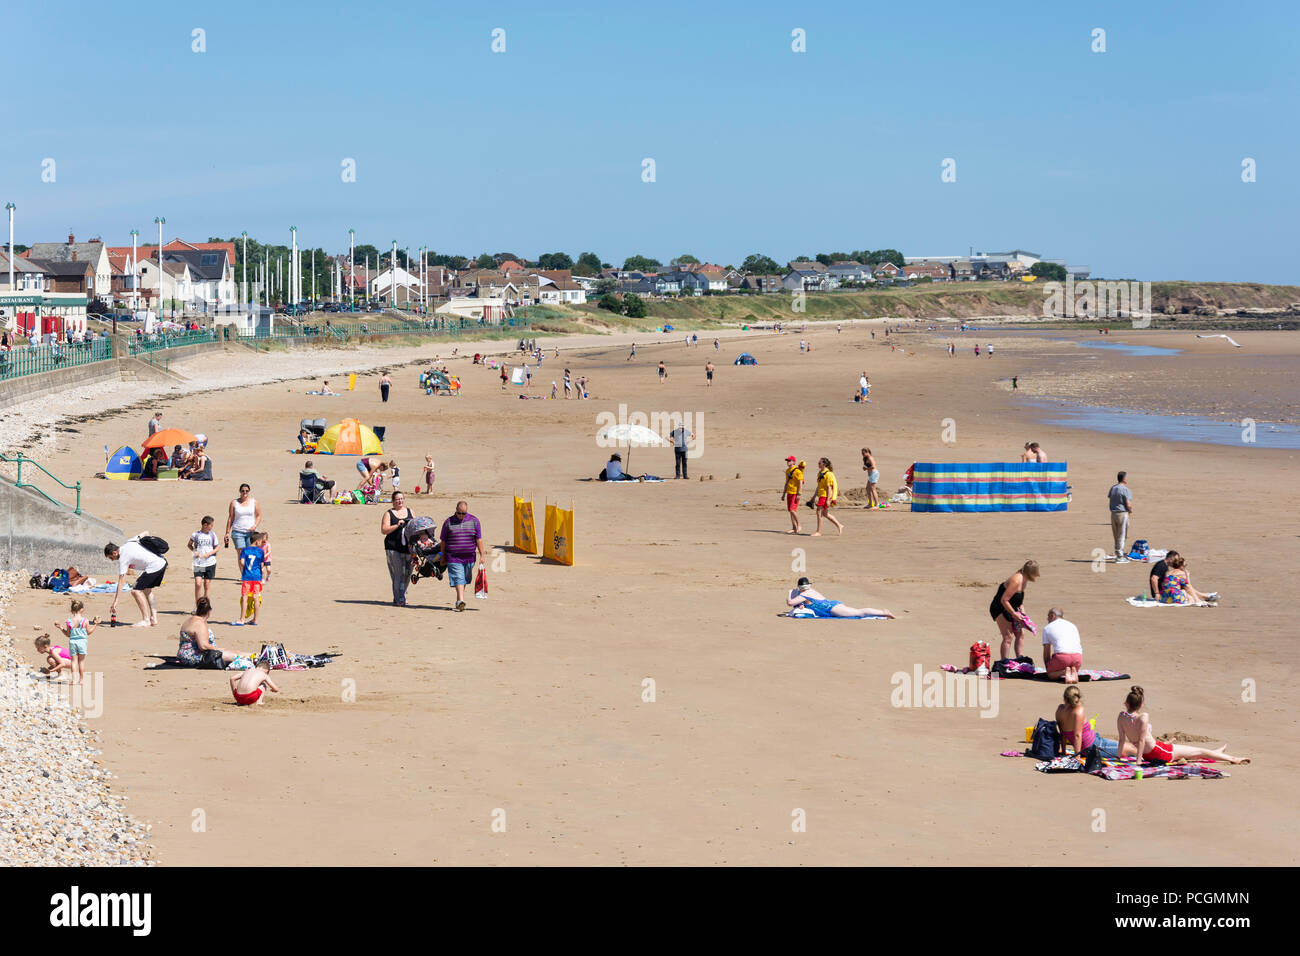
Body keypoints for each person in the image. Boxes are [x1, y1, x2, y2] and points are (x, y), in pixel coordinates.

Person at [1116, 686, 1248, 764]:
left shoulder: (1121, 717)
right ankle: (1233, 758)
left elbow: (1122, 739)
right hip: (1159, 752)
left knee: (1192, 753)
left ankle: (1215, 753)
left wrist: (1118, 757)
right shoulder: (1143, 716)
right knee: (1199, 751)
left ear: (1126, 703)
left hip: (1149, 754)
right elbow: (1141, 740)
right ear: (1141, 705)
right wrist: (1138, 762)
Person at [106, 538, 167, 628]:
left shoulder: (123, 558)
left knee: (135, 591)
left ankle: (146, 620)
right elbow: (145, 533)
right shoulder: (129, 542)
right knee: (147, 590)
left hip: (154, 566)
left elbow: (121, 581)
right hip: (161, 562)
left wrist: (115, 602)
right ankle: (154, 618)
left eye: (111, 558)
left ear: (115, 553)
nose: (112, 560)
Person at [440, 500, 487, 612]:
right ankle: (461, 600)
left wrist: (482, 555)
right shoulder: (448, 522)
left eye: (464, 513)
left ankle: (458, 601)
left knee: (465, 579)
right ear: (455, 511)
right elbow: (443, 541)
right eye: (459, 513)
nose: (461, 516)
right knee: (459, 577)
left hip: (469, 557)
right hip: (453, 557)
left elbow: (478, 539)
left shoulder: (474, 521)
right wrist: (442, 556)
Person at [989, 560, 1039, 662]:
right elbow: (1004, 600)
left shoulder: (1024, 579)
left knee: (1020, 634)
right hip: (1000, 607)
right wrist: (1013, 614)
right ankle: (1004, 662)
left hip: (1013, 608)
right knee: (1008, 637)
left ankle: (1019, 659)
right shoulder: (1016, 581)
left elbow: (1017, 598)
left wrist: (1022, 609)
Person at [1055, 686, 1120, 759]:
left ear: (1064, 698)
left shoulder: (1060, 709)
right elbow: (1077, 736)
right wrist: (1077, 756)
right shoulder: (1078, 710)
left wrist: (1063, 751)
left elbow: (1062, 734)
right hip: (1093, 745)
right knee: (1128, 748)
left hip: (1089, 744)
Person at [177, 597, 242, 668]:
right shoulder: (199, 623)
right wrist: (218, 649)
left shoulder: (190, 620)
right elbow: (203, 646)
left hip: (183, 656)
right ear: (209, 611)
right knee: (233, 655)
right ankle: (252, 657)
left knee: (234, 652)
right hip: (194, 657)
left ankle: (253, 656)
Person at [787, 578, 894, 618]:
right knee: (857, 612)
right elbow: (801, 605)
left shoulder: (804, 594)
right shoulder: (810, 592)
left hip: (831, 608)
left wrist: (790, 593)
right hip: (833, 605)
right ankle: (882, 612)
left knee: (859, 613)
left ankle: (883, 612)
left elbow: (790, 603)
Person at [53, 600, 99, 685]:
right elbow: (88, 632)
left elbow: (68, 634)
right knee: (81, 661)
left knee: (74, 661)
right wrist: (96, 625)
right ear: (82, 609)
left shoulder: (69, 621)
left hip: (72, 642)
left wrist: (61, 628)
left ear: (71, 610)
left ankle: (74, 680)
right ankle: (81, 680)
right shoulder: (85, 620)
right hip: (82, 642)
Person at [382, 492, 413, 606]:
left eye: (401, 499)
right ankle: (398, 598)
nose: (400, 501)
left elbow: (416, 527)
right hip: (393, 547)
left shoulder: (410, 511)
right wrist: (397, 525)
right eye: (397, 499)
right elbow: (384, 530)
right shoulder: (389, 513)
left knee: (408, 573)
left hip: (408, 548)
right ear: (393, 501)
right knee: (398, 573)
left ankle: (403, 594)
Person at [1041, 607, 1083, 683]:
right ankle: (1073, 671)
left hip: (1062, 658)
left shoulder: (1047, 628)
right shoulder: (1072, 625)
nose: (1047, 619)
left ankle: (1064, 672)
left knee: (1051, 675)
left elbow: (1046, 653)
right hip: (1078, 657)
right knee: (1071, 663)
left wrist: (1048, 669)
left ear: (1053, 615)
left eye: (1048, 616)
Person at [237, 531, 270, 626]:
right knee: (256, 597)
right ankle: (255, 620)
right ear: (257, 541)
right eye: (261, 542)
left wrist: (247, 567)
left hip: (247, 576)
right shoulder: (260, 551)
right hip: (257, 577)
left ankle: (242, 619)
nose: (261, 544)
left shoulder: (245, 550)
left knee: (245, 597)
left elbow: (242, 562)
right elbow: (262, 565)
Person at [189, 515, 219, 603]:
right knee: (198, 583)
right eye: (211, 525)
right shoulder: (195, 535)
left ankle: (205, 605)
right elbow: (189, 545)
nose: (212, 527)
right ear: (205, 525)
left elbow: (217, 548)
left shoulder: (213, 535)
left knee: (207, 584)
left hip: (210, 562)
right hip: (198, 563)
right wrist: (195, 552)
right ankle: (198, 605)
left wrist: (209, 554)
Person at [811, 458, 843, 536]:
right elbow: (818, 486)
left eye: (820, 462)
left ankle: (818, 531)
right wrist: (814, 496)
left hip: (825, 496)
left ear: (824, 464)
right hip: (821, 495)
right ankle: (839, 525)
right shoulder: (820, 473)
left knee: (819, 512)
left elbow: (830, 488)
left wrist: (828, 500)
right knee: (825, 514)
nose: (818, 463)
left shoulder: (828, 474)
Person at [225, 483, 261, 552]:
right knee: (241, 555)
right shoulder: (234, 502)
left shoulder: (254, 502)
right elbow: (230, 518)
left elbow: (259, 516)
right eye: (243, 491)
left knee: (251, 553)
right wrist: (227, 532)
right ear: (240, 491)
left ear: (249, 491)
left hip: (251, 532)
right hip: (238, 532)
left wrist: (255, 525)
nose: (245, 492)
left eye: (247, 491)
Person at [1108, 471, 1133, 563]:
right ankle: (1119, 556)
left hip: (1113, 513)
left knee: (1116, 535)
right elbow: (1128, 503)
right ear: (1124, 478)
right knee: (1122, 535)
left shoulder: (1113, 488)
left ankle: (1118, 553)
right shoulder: (1125, 489)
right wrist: (1130, 510)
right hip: (1122, 513)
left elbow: (1111, 498)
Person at [782, 456, 805, 534]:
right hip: (789, 492)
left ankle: (799, 525)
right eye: (787, 460)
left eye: (789, 460)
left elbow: (800, 482)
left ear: (794, 462)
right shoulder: (787, 471)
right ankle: (794, 528)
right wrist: (783, 494)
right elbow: (786, 482)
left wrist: (799, 493)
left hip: (795, 493)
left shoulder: (798, 471)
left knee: (792, 510)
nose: (788, 462)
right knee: (791, 511)